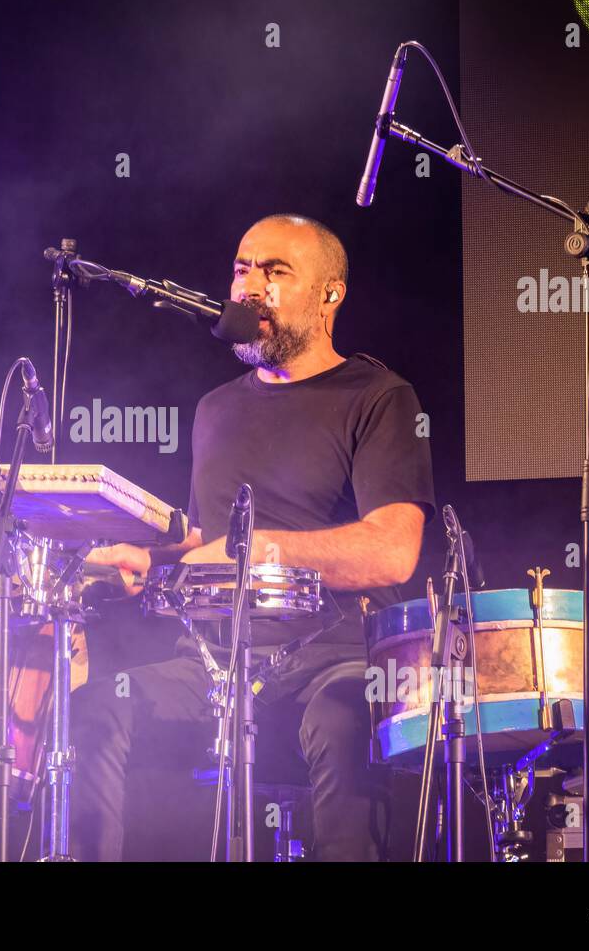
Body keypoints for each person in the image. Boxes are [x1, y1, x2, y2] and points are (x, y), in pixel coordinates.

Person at [72, 213, 435, 860]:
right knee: (94, 708)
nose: (249, 287)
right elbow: (208, 538)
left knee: (345, 716)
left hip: (336, 660)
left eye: (276, 271)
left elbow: (393, 550)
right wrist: (147, 557)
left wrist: (259, 550)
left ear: (330, 293)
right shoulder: (215, 407)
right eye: (242, 269)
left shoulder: (380, 397)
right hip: (215, 665)